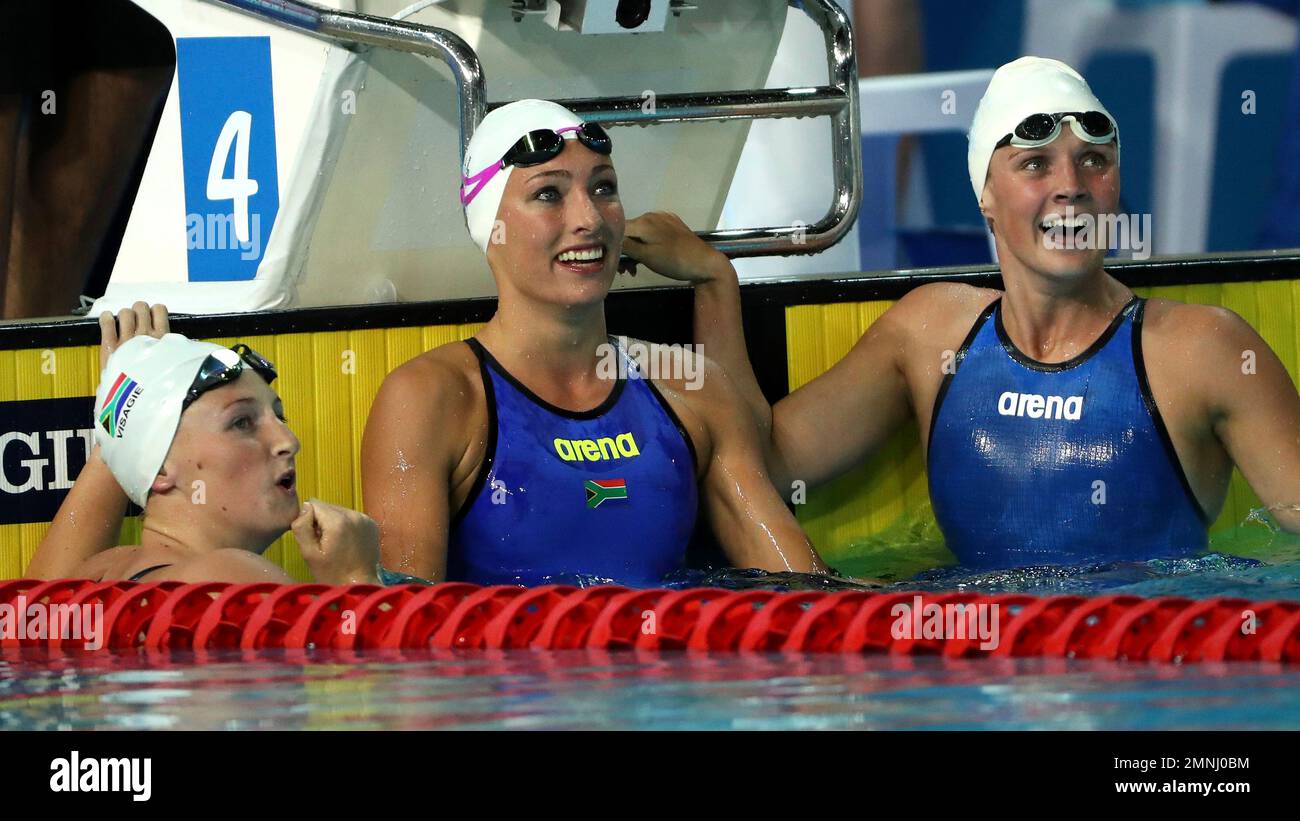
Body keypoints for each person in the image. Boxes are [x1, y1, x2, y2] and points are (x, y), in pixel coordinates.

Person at [675, 56, 1300, 569]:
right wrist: (714, 284)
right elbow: (758, 462)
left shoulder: (1200, 350)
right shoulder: (930, 333)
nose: (1071, 184)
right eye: (1035, 164)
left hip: (1147, 670)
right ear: (986, 195)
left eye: (1095, 160)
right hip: (973, 675)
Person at [361, 99, 826, 585]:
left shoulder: (692, 390)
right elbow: (406, 635)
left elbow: (808, 592)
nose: (589, 218)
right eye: (548, 195)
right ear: (489, 226)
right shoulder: (430, 399)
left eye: (603, 188)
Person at [26, 303, 383, 585]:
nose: (289, 441)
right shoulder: (231, 576)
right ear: (162, 469)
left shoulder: (94, 573)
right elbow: (369, 674)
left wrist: (123, 419)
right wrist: (355, 577)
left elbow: (27, 615)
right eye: (241, 423)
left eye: (280, 417)